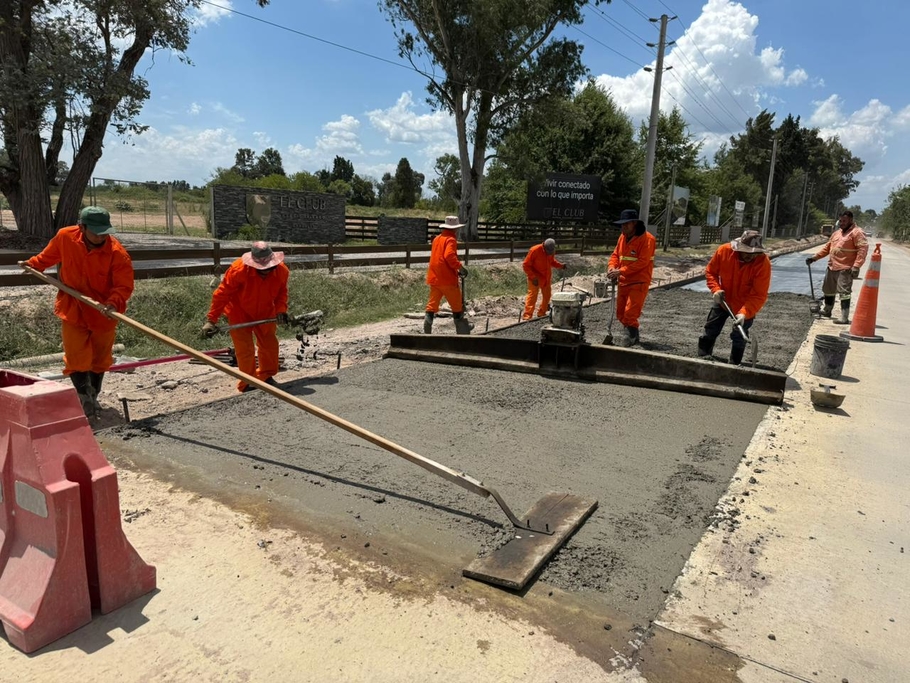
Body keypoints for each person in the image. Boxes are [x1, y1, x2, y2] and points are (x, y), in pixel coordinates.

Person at [20, 206, 134, 415]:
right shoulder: (65, 237)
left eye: (104, 232)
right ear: (82, 227)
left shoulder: (117, 254)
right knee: (76, 356)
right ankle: (84, 399)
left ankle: (94, 395)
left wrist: (112, 303)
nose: (101, 237)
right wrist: (33, 264)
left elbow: (123, 286)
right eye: (96, 232)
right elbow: (47, 256)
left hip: (103, 312)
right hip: (73, 306)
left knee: (100, 359)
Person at [202, 241, 290, 392]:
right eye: (262, 269)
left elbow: (282, 293)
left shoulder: (282, 271)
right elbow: (221, 295)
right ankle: (248, 382)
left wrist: (280, 311)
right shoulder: (238, 271)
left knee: (269, 345)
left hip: (265, 311)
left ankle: (265, 377)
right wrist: (211, 320)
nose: (266, 271)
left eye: (269, 268)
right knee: (245, 349)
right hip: (239, 312)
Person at [698, 230, 771, 365]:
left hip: (745, 305)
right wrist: (716, 289)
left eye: (754, 253)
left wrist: (744, 313)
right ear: (739, 247)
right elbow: (711, 272)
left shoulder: (763, 263)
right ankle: (703, 356)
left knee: (739, 336)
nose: (750, 256)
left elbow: (759, 294)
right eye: (747, 252)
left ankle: (734, 363)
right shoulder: (724, 251)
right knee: (711, 328)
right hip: (723, 300)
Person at [806, 210, 868, 324]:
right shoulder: (836, 233)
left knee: (844, 293)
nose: (842, 223)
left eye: (844, 221)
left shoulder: (857, 233)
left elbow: (862, 250)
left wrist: (857, 266)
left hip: (845, 268)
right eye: (840, 221)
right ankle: (827, 310)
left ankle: (844, 317)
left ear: (851, 220)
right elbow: (827, 248)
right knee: (828, 290)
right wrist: (814, 258)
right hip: (832, 267)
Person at [606, 209, 656, 346]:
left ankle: (630, 338)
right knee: (620, 314)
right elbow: (616, 255)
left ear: (634, 223)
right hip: (623, 281)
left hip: (639, 281)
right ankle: (633, 334)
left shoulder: (647, 239)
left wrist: (620, 271)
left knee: (630, 313)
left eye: (626, 224)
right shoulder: (622, 237)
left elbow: (642, 262)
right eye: (622, 225)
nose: (623, 227)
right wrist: (611, 268)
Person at [424, 215, 471, 335]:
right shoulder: (450, 239)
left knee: (432, 305)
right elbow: (449, 256)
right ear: (455, 228)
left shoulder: (437, 239)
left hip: (435, 278)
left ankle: (427, 327)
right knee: (457, 305)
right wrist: (460, 267)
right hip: (447, 278)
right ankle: (462, 331)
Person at [522, 238, 567, 320]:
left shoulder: (551, 251)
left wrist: (561, 265)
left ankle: (541, 313)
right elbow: (526, 265)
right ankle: (527, 316)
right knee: (532, 296)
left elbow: (552, 262)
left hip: (546, 277)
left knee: (547, 295)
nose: (549, 253)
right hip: (535, 277)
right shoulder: (534, 250)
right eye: (548, 251)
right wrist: (533, 277)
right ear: (544, 247)